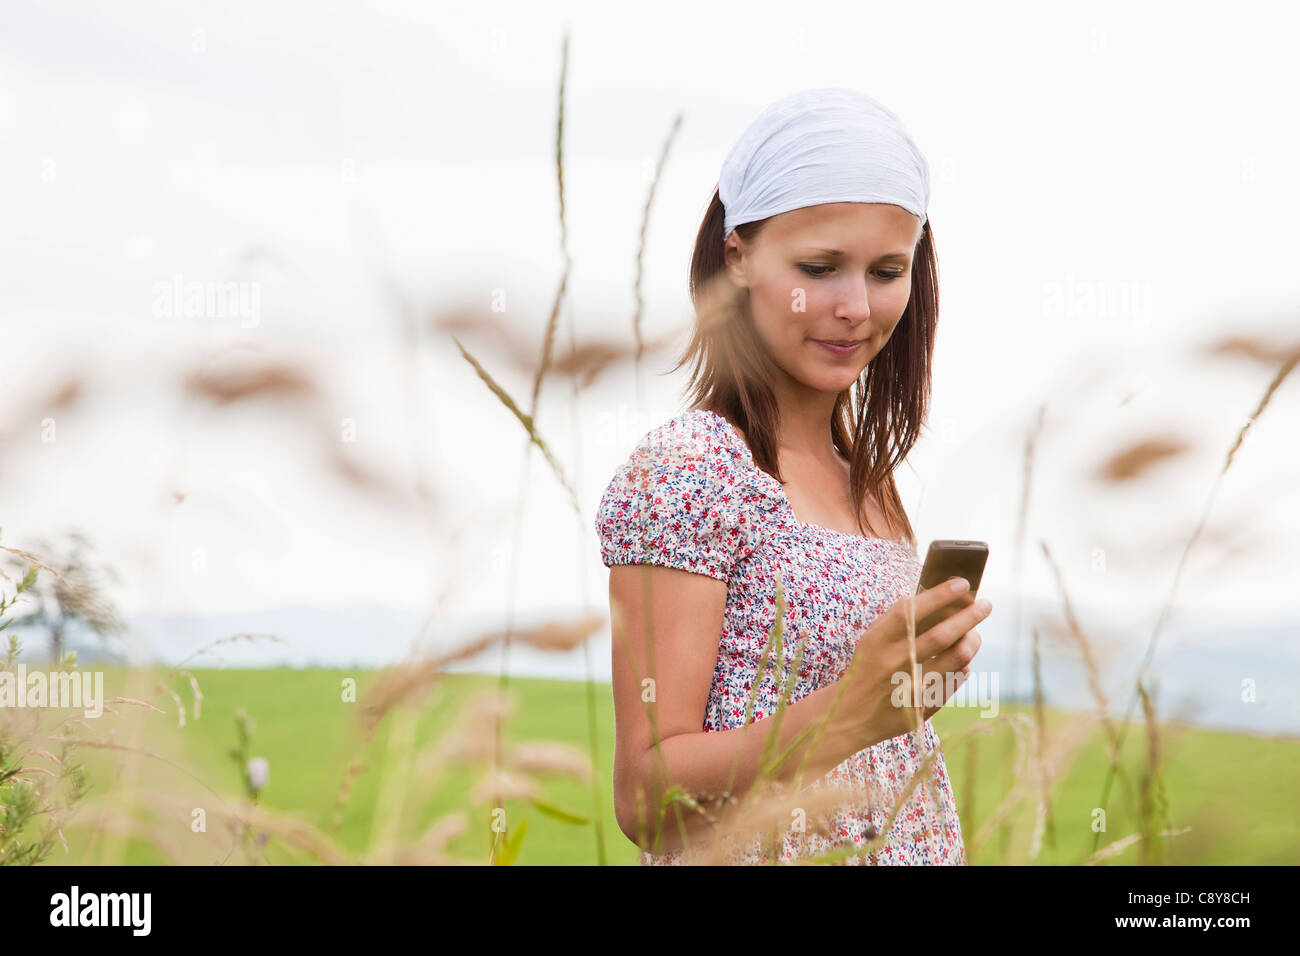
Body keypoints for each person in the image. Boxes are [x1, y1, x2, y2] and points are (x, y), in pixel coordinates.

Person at [594, 88, 993, 865]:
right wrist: (851, 712)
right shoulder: (692, 470)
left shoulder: (868, 481)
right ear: (738, 256)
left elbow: (882, 743)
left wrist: (913, 690)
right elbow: (648, 799)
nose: (854, 306)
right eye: (819, 268)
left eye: (886, 271)